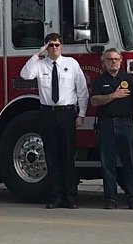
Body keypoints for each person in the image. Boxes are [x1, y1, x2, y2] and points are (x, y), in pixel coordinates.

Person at [19, 32, 88, 208]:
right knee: (51, 156)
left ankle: (71, 197)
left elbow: (82, 91)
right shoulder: (40, 65)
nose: (54, 48)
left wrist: (81, 115)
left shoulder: (71, 64)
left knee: (67, 155)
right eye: (50, 45)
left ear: (61, 46)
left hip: (67, 113)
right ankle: (55, 197)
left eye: (57, 45)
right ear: (46, 47)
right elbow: (25, 75)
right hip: (48, 112)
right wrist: (37, 54)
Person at [89, 47, 133, 209]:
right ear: (104, 62)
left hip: (126, 125)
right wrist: (113, 96)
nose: (113, 62)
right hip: (106, 126)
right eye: (110, 59)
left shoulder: (129, 80)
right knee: (107, 164)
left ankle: (132, 198)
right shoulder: (99, 81)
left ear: (121, 61)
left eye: (116, 59)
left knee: (130, 163)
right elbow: (94, 101)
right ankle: (110, 199)